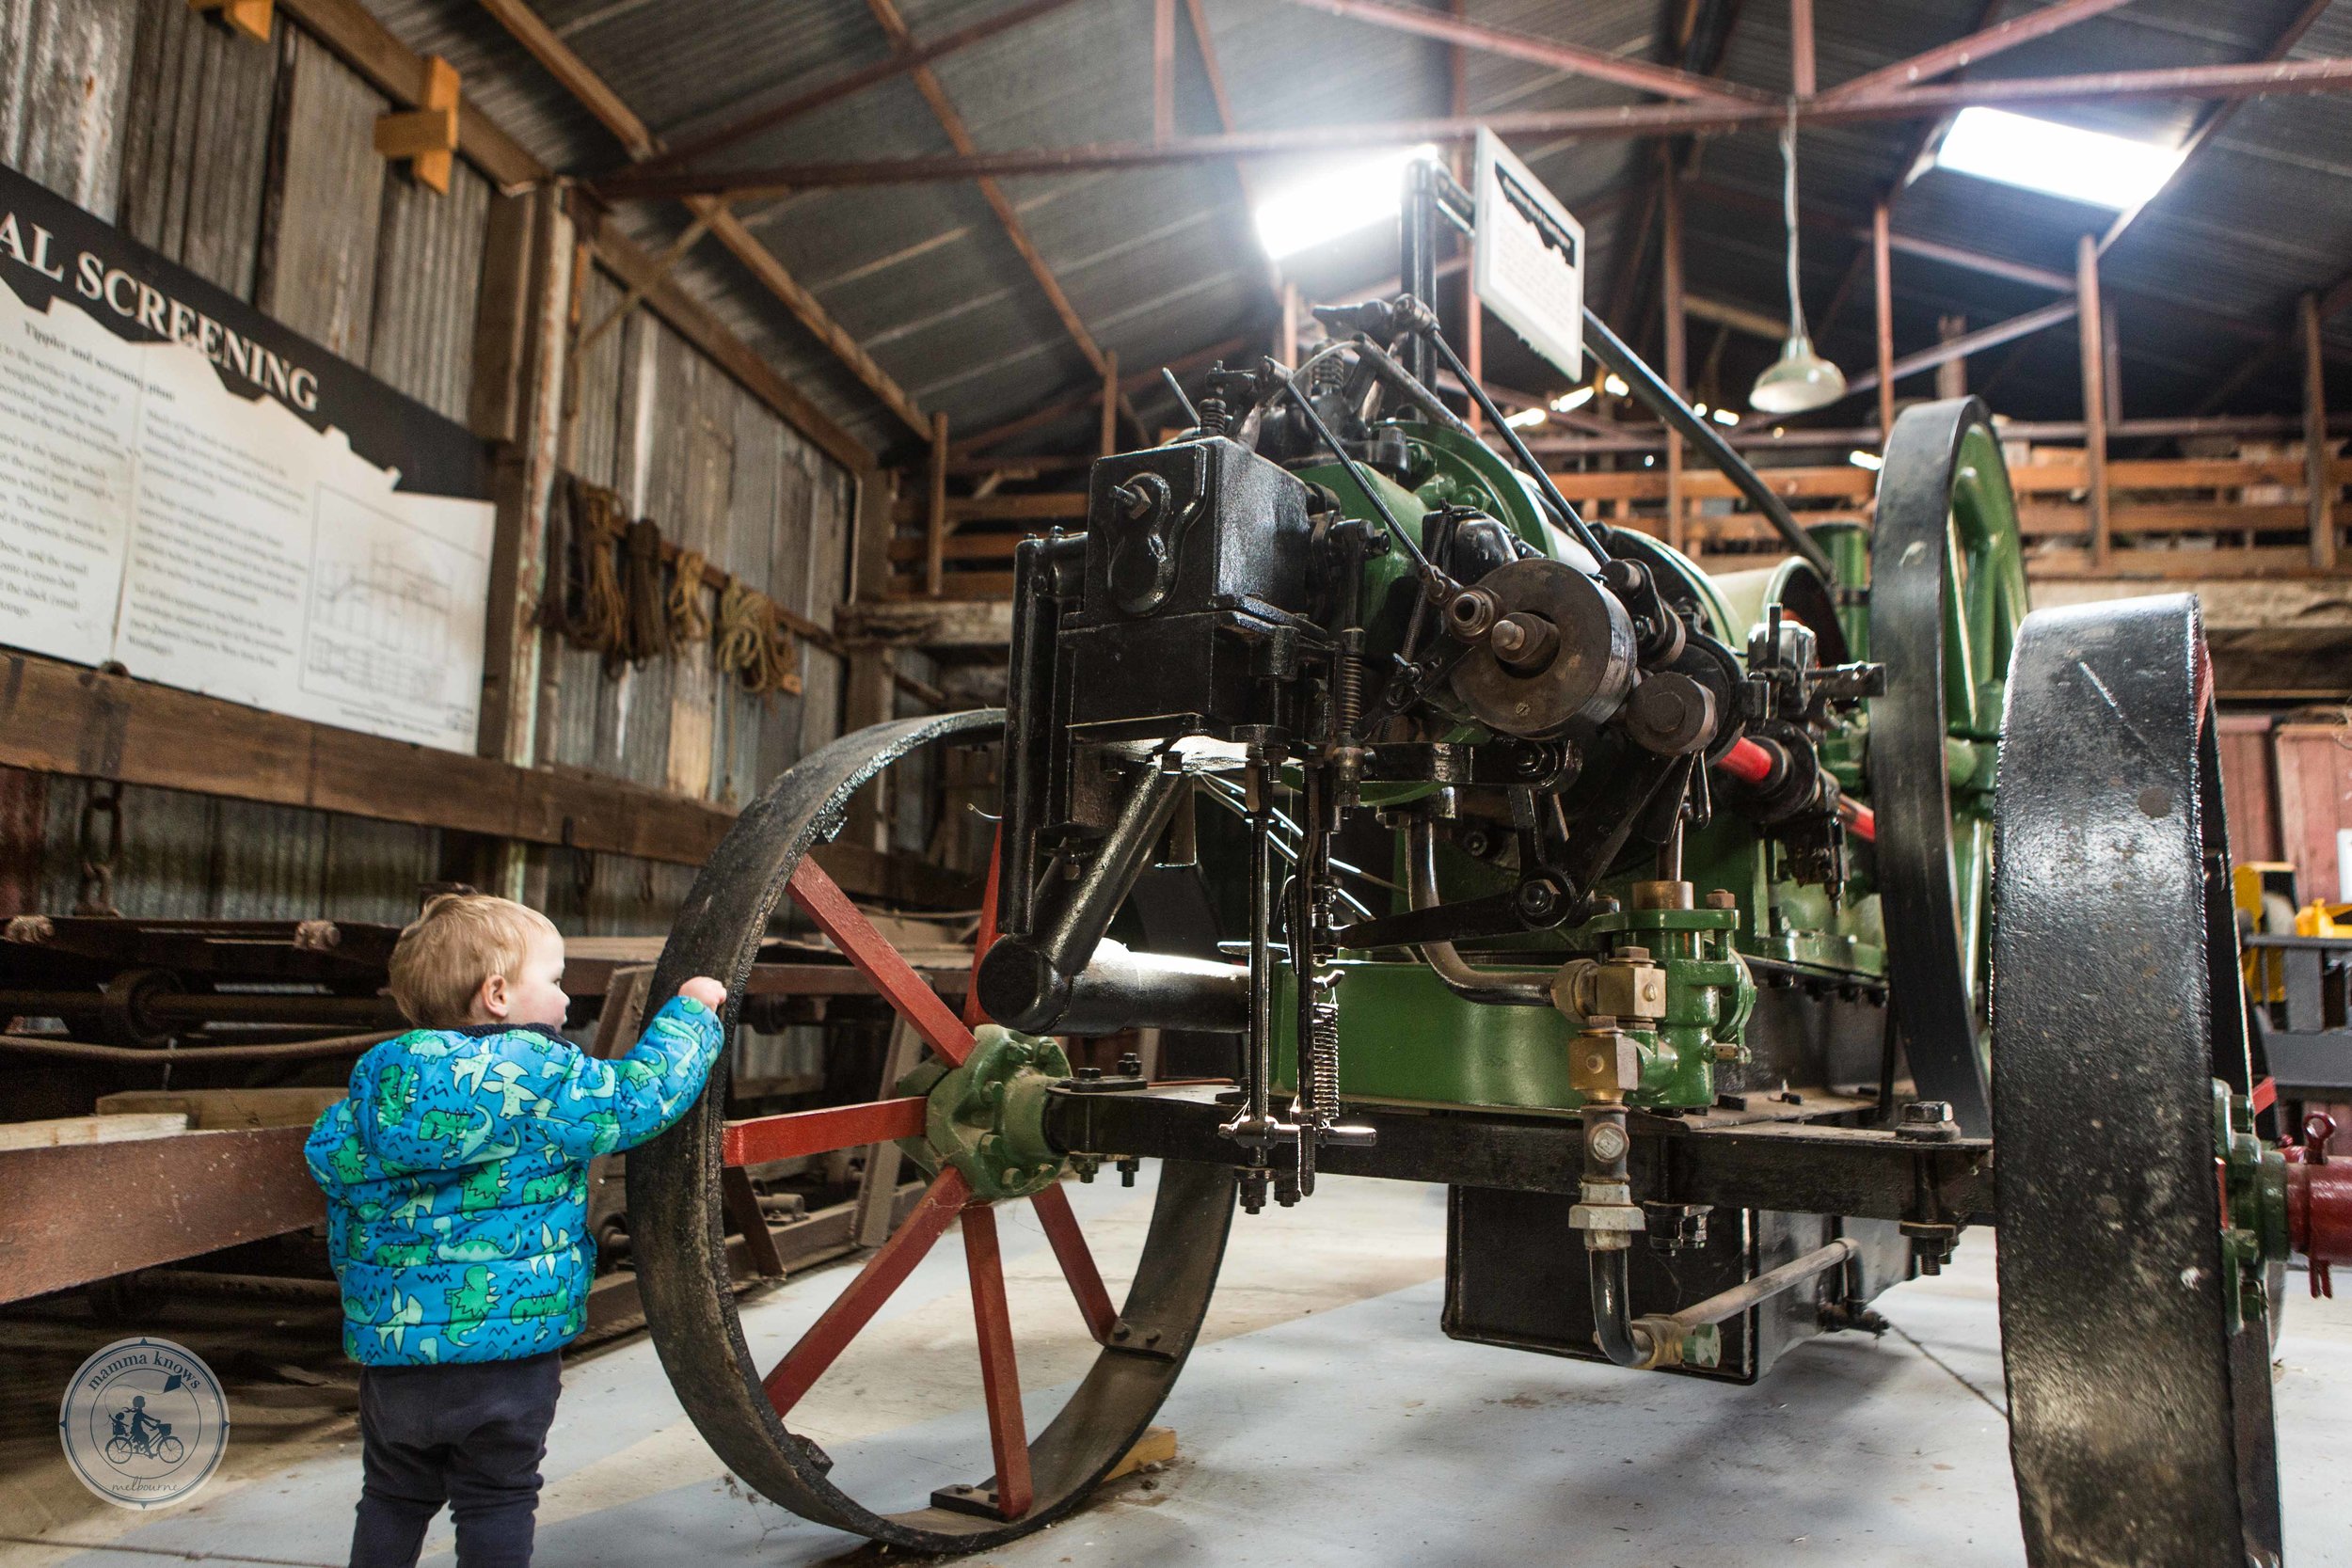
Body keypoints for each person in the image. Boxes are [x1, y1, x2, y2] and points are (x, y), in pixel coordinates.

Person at [307, 894, 728, 1568]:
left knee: (390, 1493)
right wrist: (694, 1012)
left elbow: (327, 1155)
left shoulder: (378, 1083)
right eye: (555, 980)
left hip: (394, 1361)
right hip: (508, 1351)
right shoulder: (537, 1073)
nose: (565, 1000)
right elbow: (637, 1097)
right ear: (498, 994)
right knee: (498, 1496)